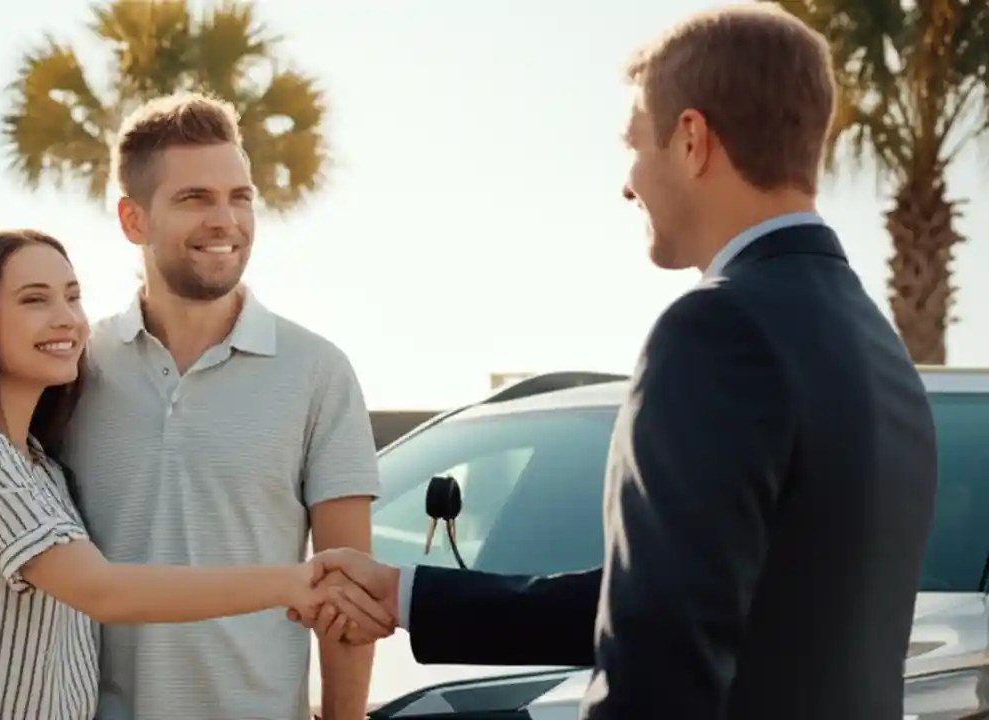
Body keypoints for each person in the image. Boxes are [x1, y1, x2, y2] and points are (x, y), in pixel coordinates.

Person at [302, 6, 939, 720]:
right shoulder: (875, 343)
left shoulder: (716, 328)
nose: (627, 183)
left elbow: (659, 659)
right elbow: (687, 597)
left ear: (692, 140)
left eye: (634, 145)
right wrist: (408, 594)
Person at [0, 95, 383, 720]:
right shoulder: (74, 369)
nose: (226, 220)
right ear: (133, 219)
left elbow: (349, 594)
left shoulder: (318, 372)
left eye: (240, 196)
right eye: (195, 198)